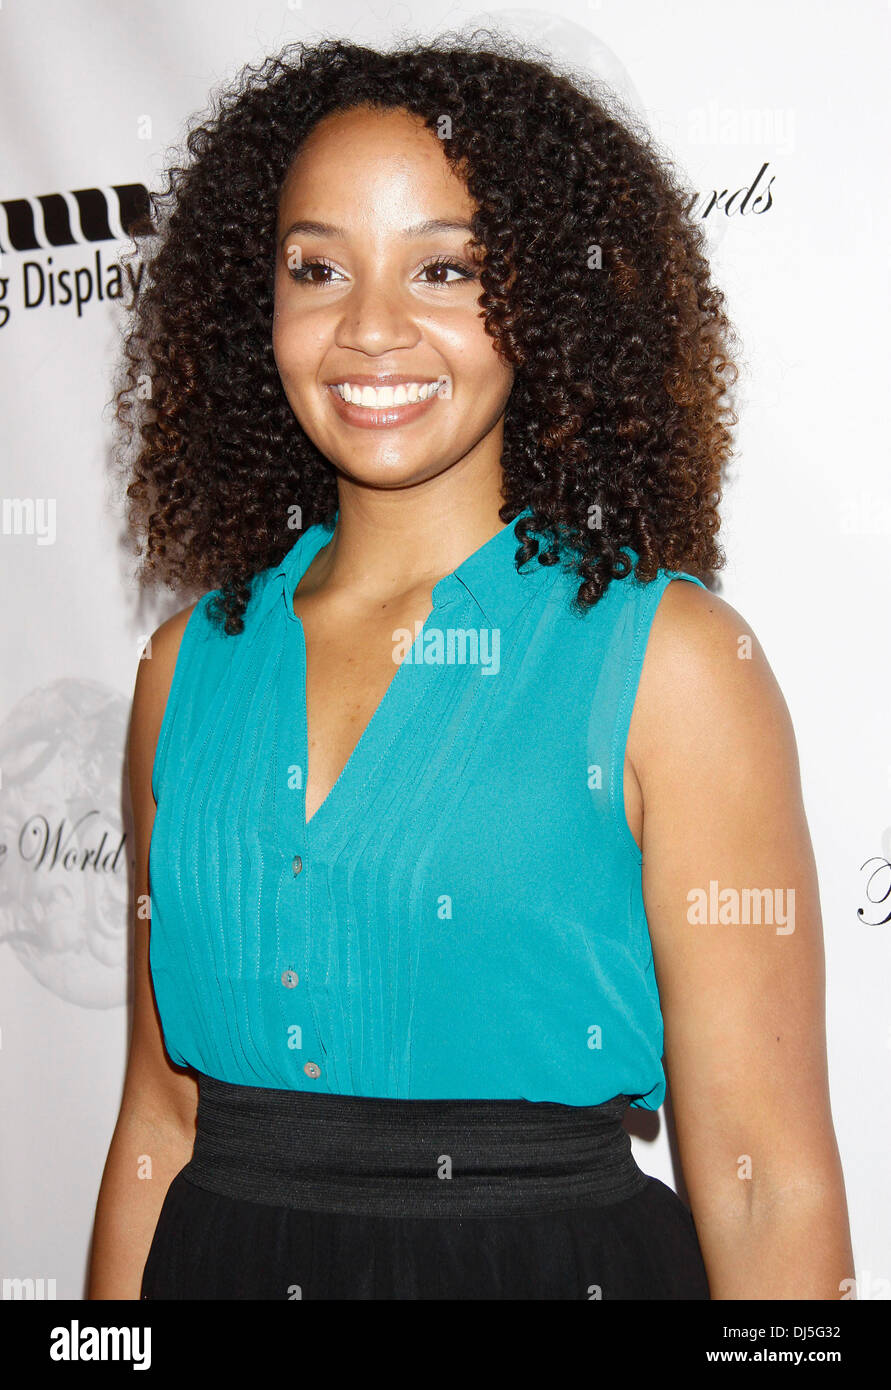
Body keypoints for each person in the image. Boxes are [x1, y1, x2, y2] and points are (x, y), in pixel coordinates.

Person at [89, 33, 854, 1300]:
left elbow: (768, 1180)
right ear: (256, 304)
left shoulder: (670, 662)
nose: (372, 329)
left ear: (547, 299)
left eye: (444, 268)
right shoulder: (185, 670)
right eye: (317, 267)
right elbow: (157, 1129)